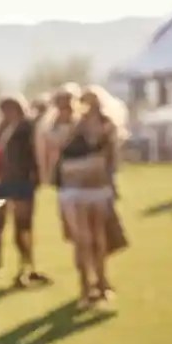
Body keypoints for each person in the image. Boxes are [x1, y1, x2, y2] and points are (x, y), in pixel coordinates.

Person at [57, 85, 127, 309]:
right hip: (75, 187)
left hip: (96, 187)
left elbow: (112, 159)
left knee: (98, 238)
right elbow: (58, 148)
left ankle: (101, 283)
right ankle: (86, 287)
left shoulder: (108, 126)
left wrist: (112, 184)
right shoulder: (73, 125)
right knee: (83, 240)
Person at [0, 96, 51, 287]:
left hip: (23, 180)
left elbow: (36, 149)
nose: (5, 113)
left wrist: (38, 175)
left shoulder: (27, 127)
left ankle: (26, 268)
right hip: (6, 181)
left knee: (22, 227)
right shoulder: (5, 128)